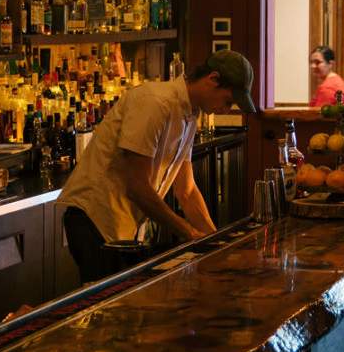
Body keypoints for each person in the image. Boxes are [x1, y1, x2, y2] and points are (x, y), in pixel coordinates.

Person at [58, 50, 256, 283]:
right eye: (228, 101)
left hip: (123, 225)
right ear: (212, 79)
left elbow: (186, 190)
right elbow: (137, 187)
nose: (227, 109)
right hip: (94, 218)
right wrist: (189, 233)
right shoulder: (155, 103)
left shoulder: (190, 115)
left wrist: (216, 242)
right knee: (107, 302)